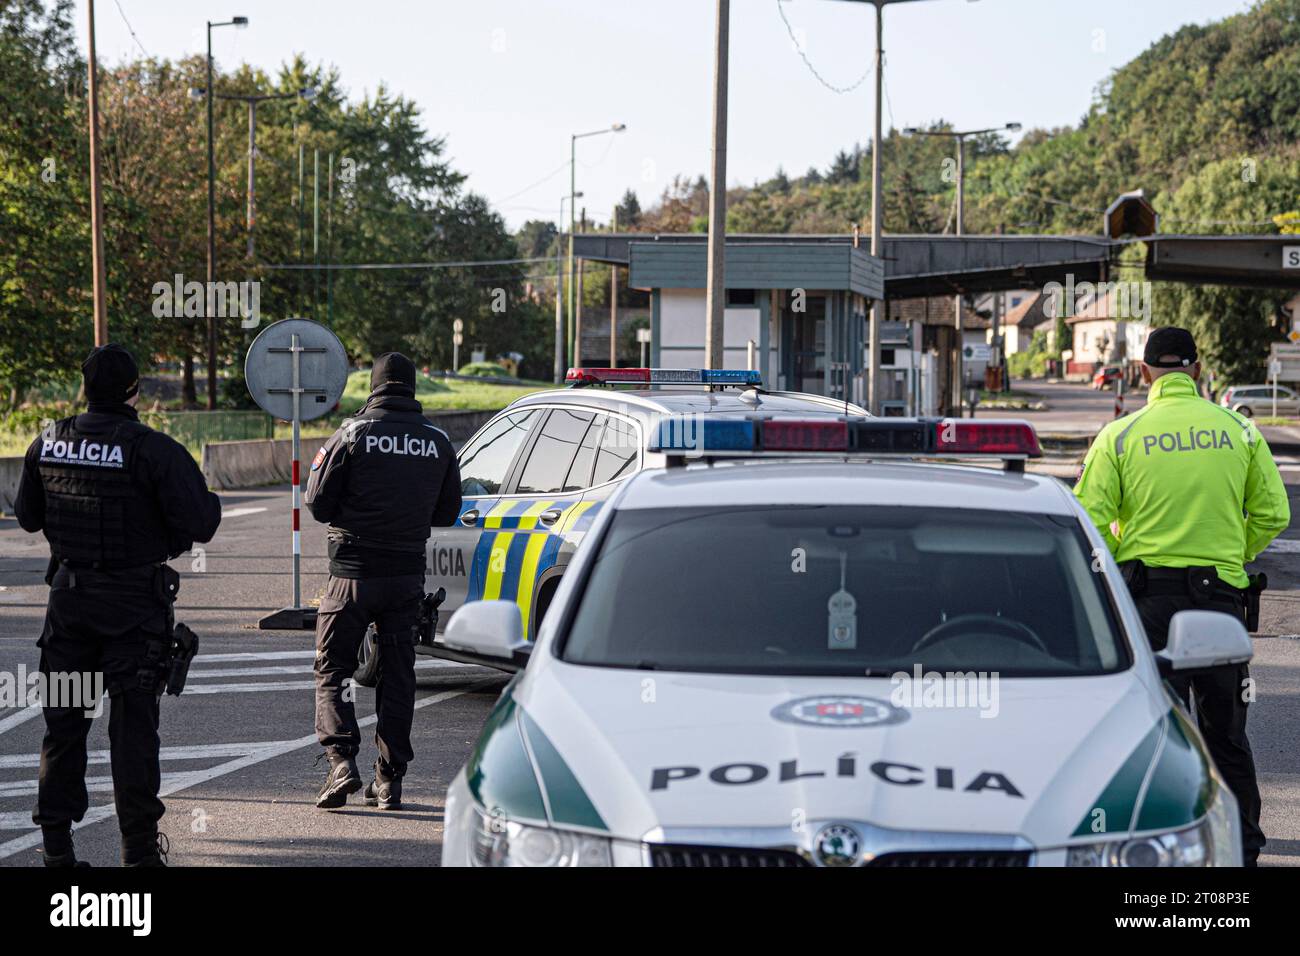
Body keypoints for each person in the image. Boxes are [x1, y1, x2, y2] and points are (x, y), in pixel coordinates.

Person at [1074, 327, 1290, 866]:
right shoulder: (1238, 431)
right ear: (1196, 370)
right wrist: (1226, 555)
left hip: (1147, 602)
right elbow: (1273, 515)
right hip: (1219, 602)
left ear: (1144, 372)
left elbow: (1089, 522)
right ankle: (1242, 848)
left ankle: (1148, 848)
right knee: (1226, 734)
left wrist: (1129, 552)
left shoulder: (1120, 437)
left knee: (1148, 732)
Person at [14, 344, 222, 867]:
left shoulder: (49, 440)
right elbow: (202, 523)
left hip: (68, 611)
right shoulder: (153, 449)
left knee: (63, 729)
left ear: (84, 390)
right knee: (133, 735)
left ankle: (57, 853)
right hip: (134, 614)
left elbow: (27, 517)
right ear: (135, 391)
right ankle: (138, 855)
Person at [304, 353, 461, 810]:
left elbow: (317, 503)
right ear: (412, 389)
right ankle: (388, 781)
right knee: (398, 675)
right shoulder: (437, 441)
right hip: (406, 577)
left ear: (373, 388)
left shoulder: (352, 434)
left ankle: (340, 763)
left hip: (352, 575)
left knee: (333, 668)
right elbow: (447, 512)